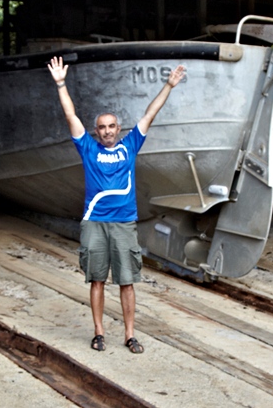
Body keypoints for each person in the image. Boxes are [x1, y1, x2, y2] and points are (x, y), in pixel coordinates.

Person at [47, 55, 186, 354]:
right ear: (96, 131)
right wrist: (60, 84)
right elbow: (71, 115)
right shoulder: (87, 147)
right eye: (102, 127)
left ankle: (130, 335)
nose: (107, 131)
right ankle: (98, 333)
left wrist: (169, 85)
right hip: (94, 222)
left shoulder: (130, 145)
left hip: (124, 223)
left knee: (127, 281)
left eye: (112, 126)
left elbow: (150, 113)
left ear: (118, 128)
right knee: (96, 280)